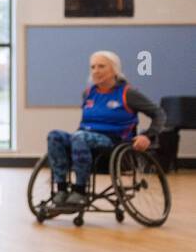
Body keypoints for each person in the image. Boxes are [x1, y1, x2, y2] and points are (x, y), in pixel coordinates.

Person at [45, 51, 165, 211]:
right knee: (54, 136)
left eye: (101, 66)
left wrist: (147, 135)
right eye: (92, 67)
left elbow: (159, 114)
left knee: (80, 137)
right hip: (83, 139)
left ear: (115, 70)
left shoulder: (128, 93)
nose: (95, 70)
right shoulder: (88, 93)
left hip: (114, 142)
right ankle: (61, 188)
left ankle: (80, 191)